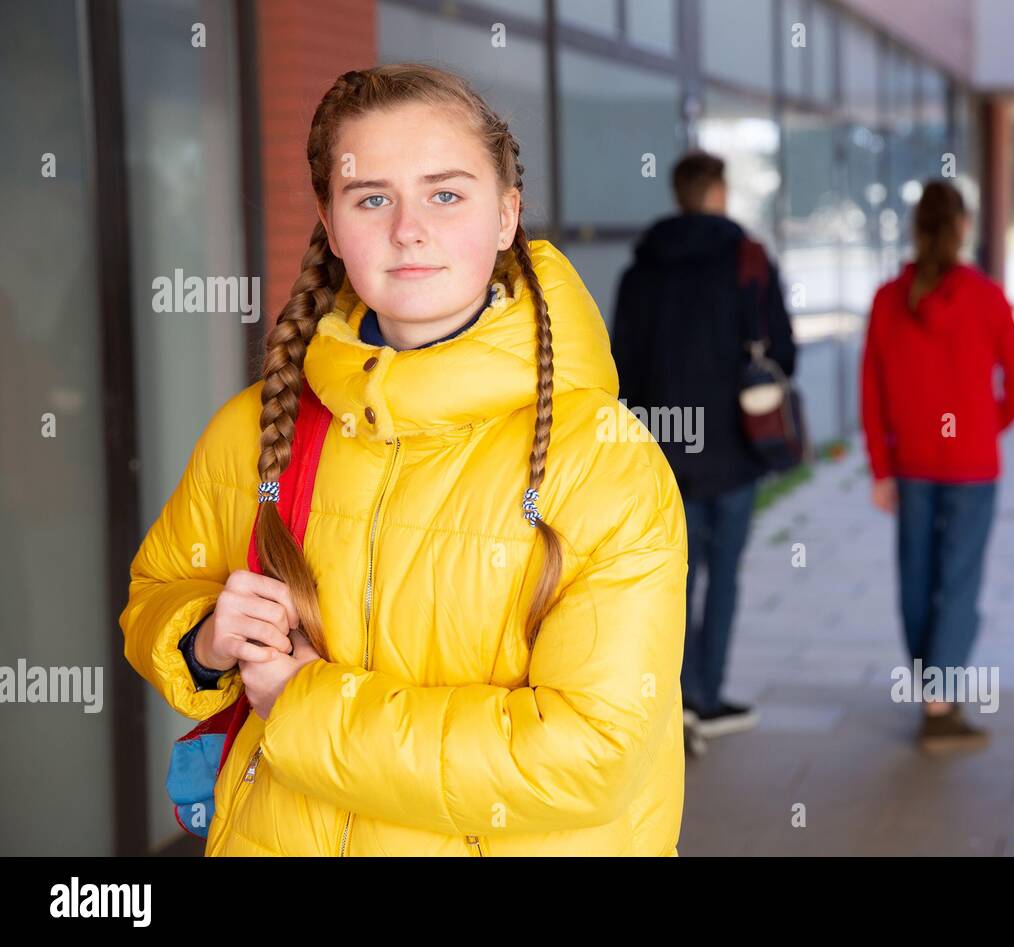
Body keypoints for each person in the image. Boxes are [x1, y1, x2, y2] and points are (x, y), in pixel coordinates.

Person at [118, 64, 689, 857]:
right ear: (329, 217)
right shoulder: (260, 427)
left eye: (446, 194)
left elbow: (590, 754)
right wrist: (202, 639)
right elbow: (156, 591)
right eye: (372, 197)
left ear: (506, 215)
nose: (408, 228)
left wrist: (306, 706)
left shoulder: (605, 462)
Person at [612, 151, 795, 739]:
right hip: (736, 446)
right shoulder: (747, 259)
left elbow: (622, 368)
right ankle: (707, 697)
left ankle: (667, 699)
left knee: (671, 577)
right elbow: (782, 353)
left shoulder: (641, 269)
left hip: (663, 444)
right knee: (725, 574)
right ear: (717, 192)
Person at [859, 181, 1014, 753]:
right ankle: (940, 704)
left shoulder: (889, 299)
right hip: (972, 467)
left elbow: (871, 392)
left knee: (915, 578)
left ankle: (929, 688)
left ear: (917, 228)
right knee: (958, 581)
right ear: (964, 227)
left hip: (911, 463)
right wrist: (984, 427)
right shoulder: (986, 296)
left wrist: (882, 467)